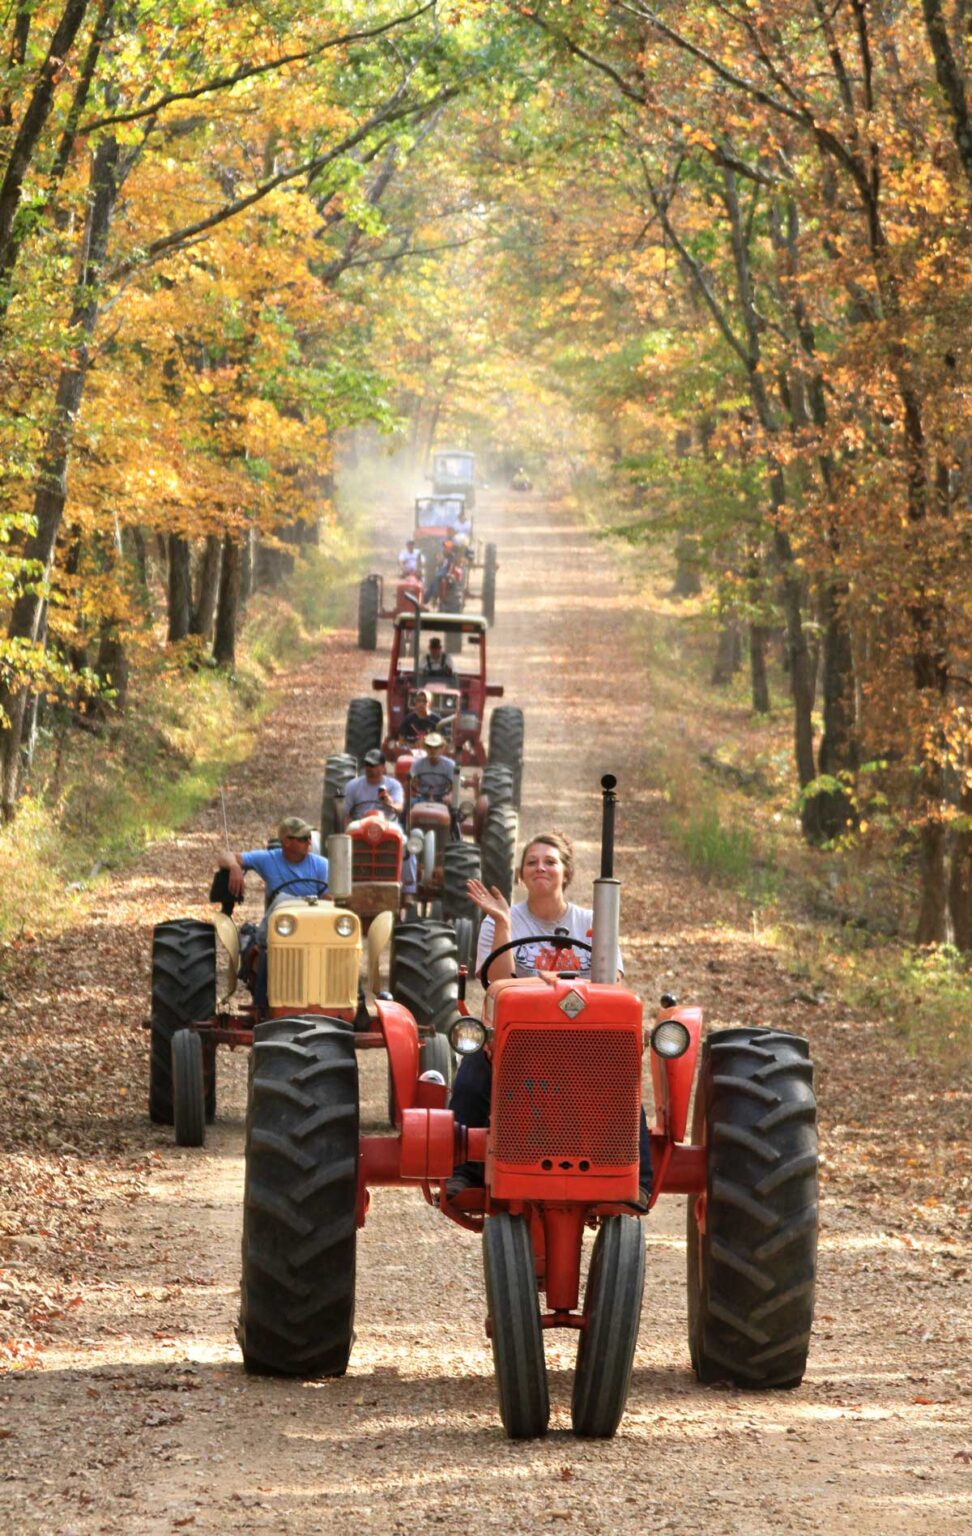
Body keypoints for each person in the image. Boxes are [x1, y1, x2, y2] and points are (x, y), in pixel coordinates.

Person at [446, 831, 652, 1207]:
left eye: (550, 861)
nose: (540, 867)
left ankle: (638, 1176)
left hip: (582, 1039)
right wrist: (504, 923)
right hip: (520, 1039)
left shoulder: (591, 922)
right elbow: (497, 983)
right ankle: (464, 1169)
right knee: (474, 1070)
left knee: (622, 1081)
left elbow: (613, 983)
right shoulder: (500, 920)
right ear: (521, 875)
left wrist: (558, 984)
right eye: (531, 862)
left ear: (565, 872)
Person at [219, 815, 330, 1008]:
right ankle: (263, 1009)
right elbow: (224, 856)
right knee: (266, 954)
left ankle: (354, 1001)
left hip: (313, 926)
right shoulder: (269, 859)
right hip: (282, 929)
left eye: (309, 837)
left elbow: (330, 901)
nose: (309, 842)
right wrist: (236, 867)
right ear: (287, 841)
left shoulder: (321, 864)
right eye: (303, 838)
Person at [343, 749, 405, 824]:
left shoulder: (394, 785)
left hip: (387, 825)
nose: (369, 768)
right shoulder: (352, 785)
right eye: (367, 764)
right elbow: (346, 814)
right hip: (360, 826)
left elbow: (399, 808)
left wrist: (389, 803)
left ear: (383, 767)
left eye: (373, 765)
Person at [409, 732, 455, 803]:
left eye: (436, 748)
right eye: (429, 747)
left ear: (442, 748)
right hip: (422, 796)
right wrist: (414, 784)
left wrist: (450, 796)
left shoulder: (450, 765)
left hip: (442, 797)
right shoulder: (417, 764)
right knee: (411, 803)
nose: (433, 751)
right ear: (425, 748)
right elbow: (411, 781)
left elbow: (454, 786)